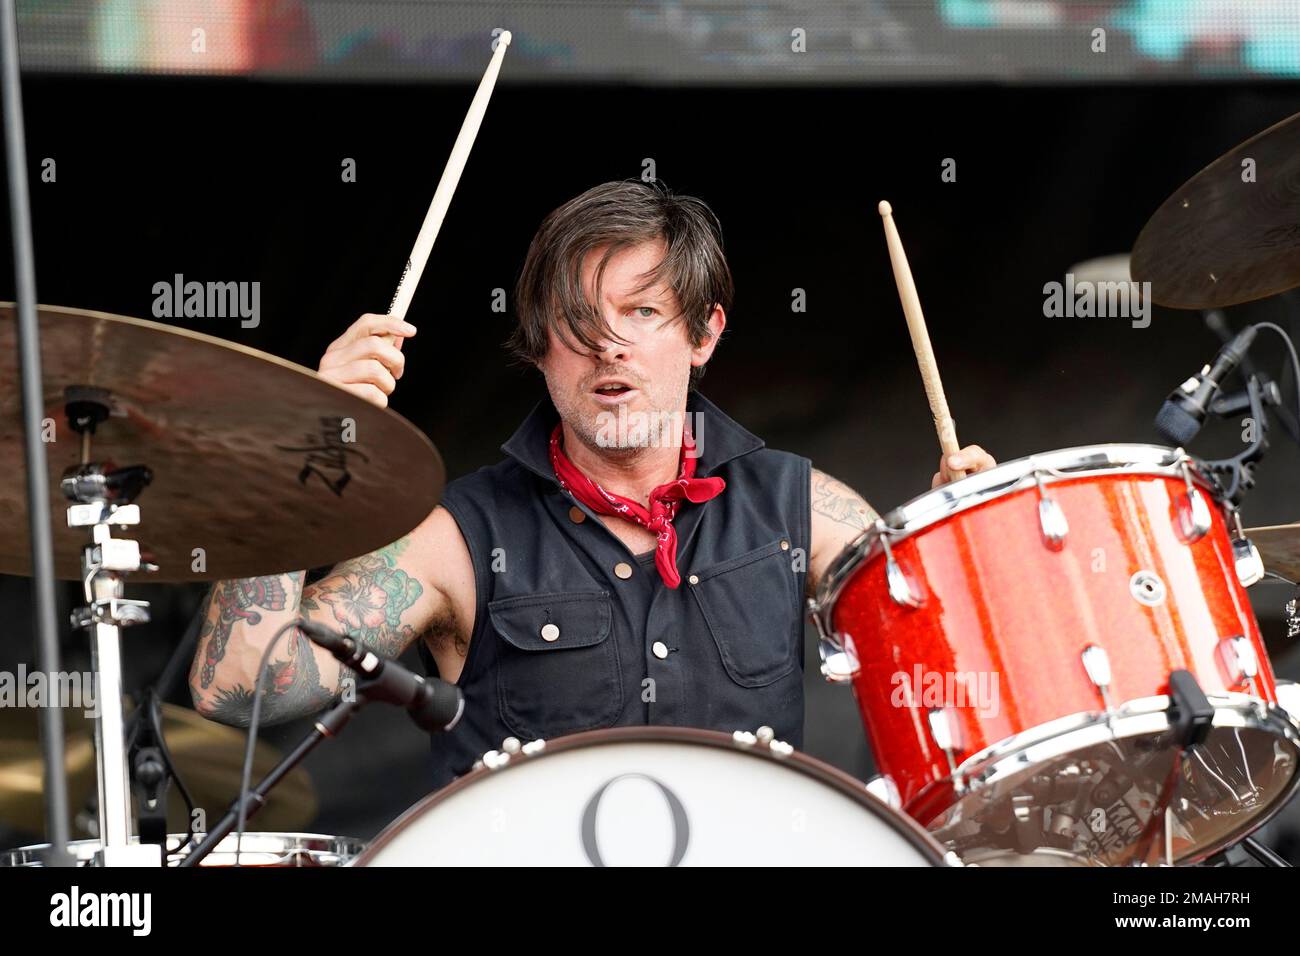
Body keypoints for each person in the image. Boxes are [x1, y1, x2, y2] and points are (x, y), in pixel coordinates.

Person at [189, 180, 996, 787]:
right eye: (579, 319)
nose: (609, 345)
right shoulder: (455, 541)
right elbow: (242, 687)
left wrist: (970, 544)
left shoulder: (803, 511)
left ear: (704, 333)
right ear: (539, 345)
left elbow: (961, 677)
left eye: (642, 312)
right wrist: (292, 451)